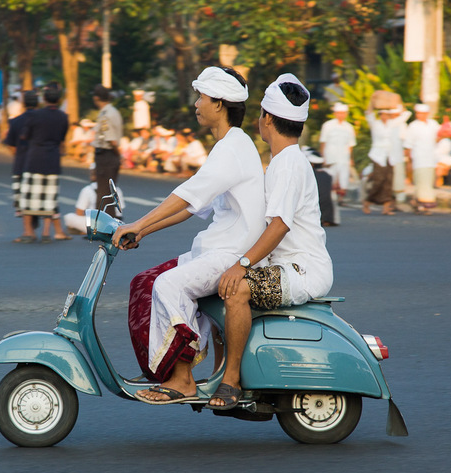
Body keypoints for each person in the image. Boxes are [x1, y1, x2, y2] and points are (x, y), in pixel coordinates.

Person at [112, 66, 265, 404]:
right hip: (214, 249)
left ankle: (182, 380)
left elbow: (187, 194)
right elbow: (194, 206)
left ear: (220, 105)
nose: (196, 104)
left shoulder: (232, 149)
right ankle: (162, 369)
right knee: (143, 281)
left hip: (231, 254)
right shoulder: (229, 145)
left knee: (168, 285)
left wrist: (137, 223)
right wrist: (144, 231)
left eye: (202, 98)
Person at [210, 74, 333, 409]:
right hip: (286, 265)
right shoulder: (284, 161)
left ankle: (231, 381)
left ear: (267, 119)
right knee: (216, 280)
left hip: (301, 270)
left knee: (236, 287)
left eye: (260, 115)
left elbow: (278, 227)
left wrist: (242, 264)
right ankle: (220, 371)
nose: (257, 121)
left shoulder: (288, 164)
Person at [14, 85, 71, 243]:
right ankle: (46, 233)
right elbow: (61, 138)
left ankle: (29, 232)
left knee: (27, 197)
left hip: (34, 159)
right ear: (58, 100)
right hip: (53, 160)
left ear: (44, 99)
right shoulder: (63, 117)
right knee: (49, 199)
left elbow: (25, 135)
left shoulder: (36, 115)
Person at [2, 90, 38, 218]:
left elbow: (10, 144)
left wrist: (17, 154)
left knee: (23, 202)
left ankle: (28, 232)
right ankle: (47, 233)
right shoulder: (43, 119)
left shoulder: (16, 121)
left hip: (21, 163)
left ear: (23, 103)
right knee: (43, 204)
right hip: (40, 165)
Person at [91, 85, 123, 217]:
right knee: (106, 192)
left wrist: (118, 154)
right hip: (107, 154)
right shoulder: (109, 111)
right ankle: (103, 226)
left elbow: (111, 140)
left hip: (107, 154)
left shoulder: (106, 115)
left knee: (104, 193)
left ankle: (105, 227)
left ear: (96, 98)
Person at [64, 164, 125, 234]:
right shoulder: (116, 189)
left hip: (95, 225)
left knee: (69, 217)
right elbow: (120, 211)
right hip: (114, 225)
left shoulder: (88, 189)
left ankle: (89, 232)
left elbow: (79, 212)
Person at [403, 103, 441, 213]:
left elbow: (437, 139)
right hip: (418, 157)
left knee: (428, 182)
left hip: (431, 157)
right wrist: (408, 159)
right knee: (421, 181)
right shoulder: (413, 126)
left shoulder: (433, 124)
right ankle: (424, 204)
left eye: (423, 113)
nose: (420, 115)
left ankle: (416, 202)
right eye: (418, 113)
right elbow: (408, 144)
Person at [319, 102, 356, 210]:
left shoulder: (349, 127)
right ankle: (331, 199)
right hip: (330, 156)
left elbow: (350, 144)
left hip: (344, 157)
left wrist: (351, 158)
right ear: (335, 113)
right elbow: (323, 141)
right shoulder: (328, 125)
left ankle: (341, 199)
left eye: (343, 113)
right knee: (331, 177)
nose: (341, 115)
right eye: (339, 113)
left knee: (344, 178)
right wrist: (323, 156)